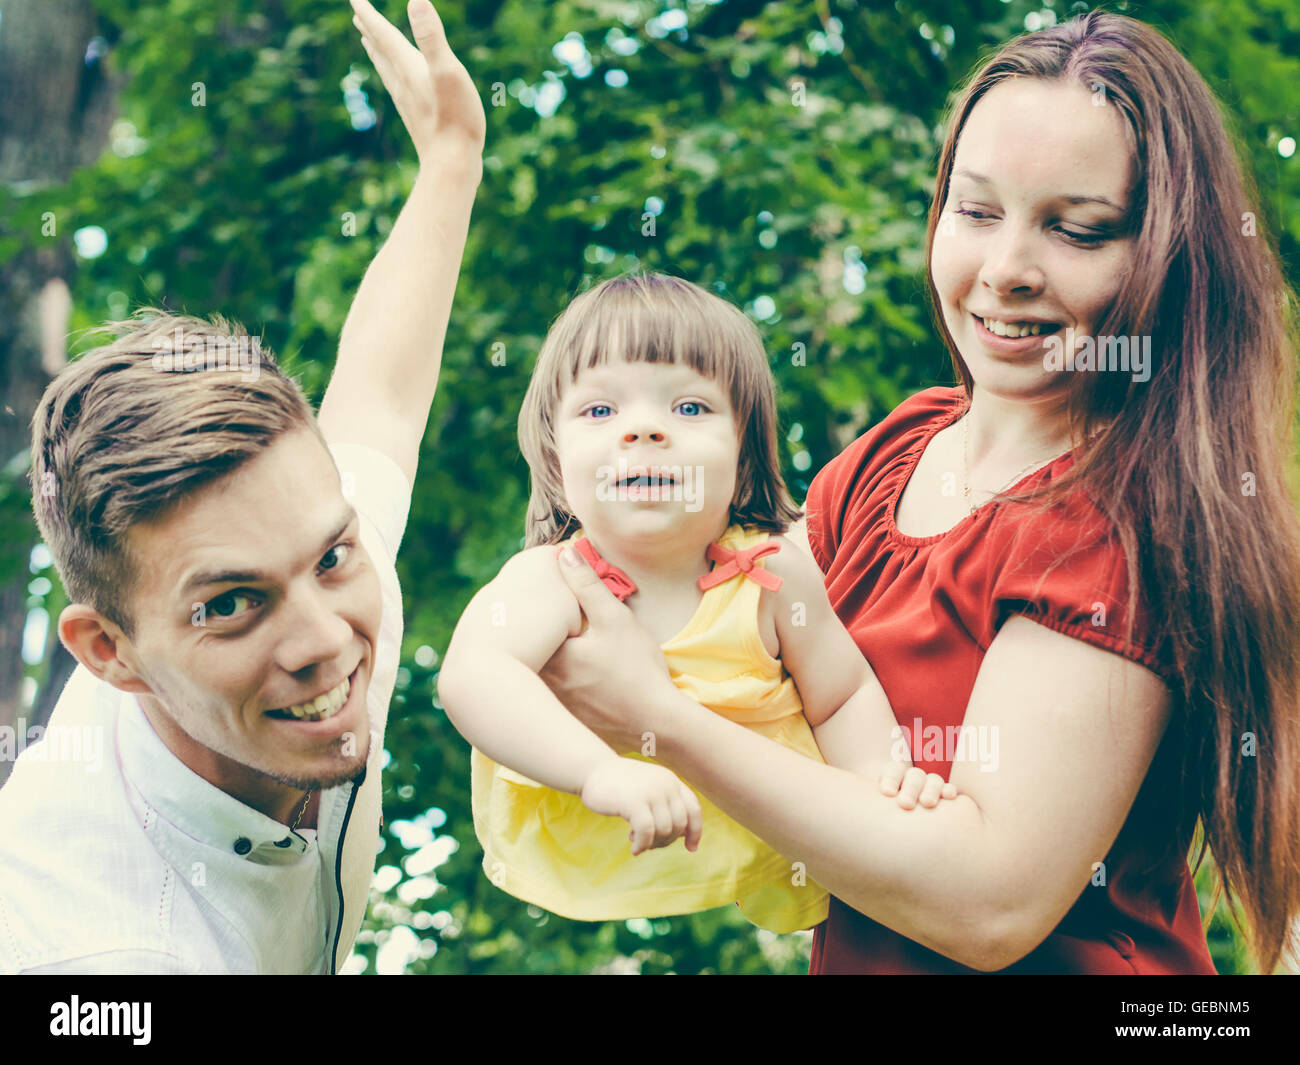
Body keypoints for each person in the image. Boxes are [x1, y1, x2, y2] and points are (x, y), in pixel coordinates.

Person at [537, 10, 1300, 973]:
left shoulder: (1126, 524)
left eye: (1076, 229)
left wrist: (664, 721)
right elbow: (728, 639)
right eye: (977, 211)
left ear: (1167, 257)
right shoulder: (889, 454)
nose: (1006, 270)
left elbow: (987, 904)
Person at [0, 0, 485, 974]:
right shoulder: (88, 948)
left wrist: (449, 159)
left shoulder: (315, 581)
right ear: (111, 652)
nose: (325, 643)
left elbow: (382, 399)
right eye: (230, 605)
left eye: (334, 555)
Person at [437, 272, 959, 934]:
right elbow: (474, 677)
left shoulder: (771, 576)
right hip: (593, 836)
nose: (644, 430)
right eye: (601, 411)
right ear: (554, 456)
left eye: (688, 408)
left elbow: (842, 693)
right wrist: (599, 772)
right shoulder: (555, 579)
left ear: (743, 457)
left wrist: (885, 781)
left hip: (769, 838)